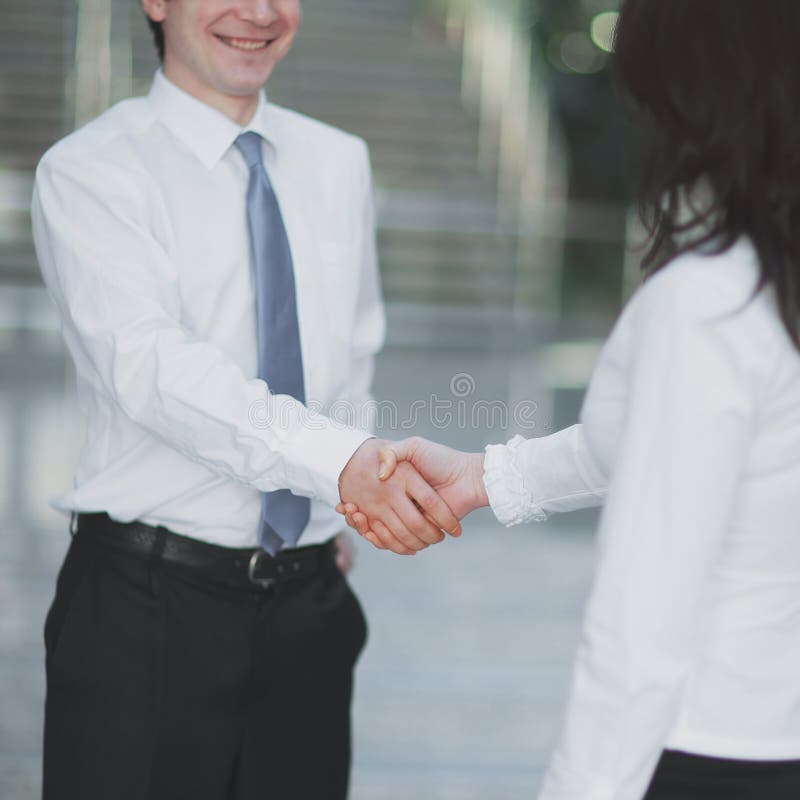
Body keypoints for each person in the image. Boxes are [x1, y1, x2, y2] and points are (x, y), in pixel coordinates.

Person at [337, 0, 800, 797]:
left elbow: (640, 627)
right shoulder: (769, 280)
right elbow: (655, 451)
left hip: (706, 749)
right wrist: (486, 477)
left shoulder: (708, 303)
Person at [30, 1, 459, 798]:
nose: (258, 14)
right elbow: (156, 372)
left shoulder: (339, 162)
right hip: (145, 611)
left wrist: (341, 505)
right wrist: (339, 464)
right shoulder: (90, 171)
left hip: (308, 611)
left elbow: (352, 349)